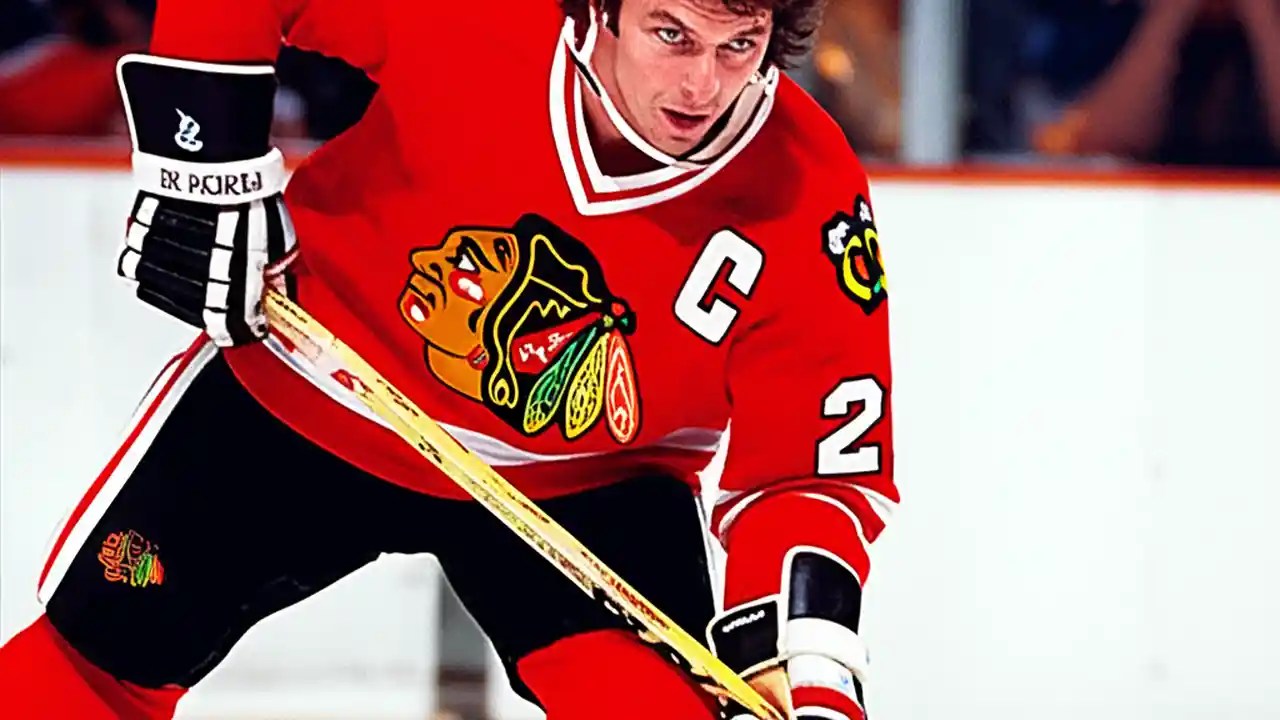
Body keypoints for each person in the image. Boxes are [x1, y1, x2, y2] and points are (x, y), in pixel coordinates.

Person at [0, 1, 897, 719]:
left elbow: (809, 473)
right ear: (599, 12)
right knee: (89, 668)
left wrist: (808, 671)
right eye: (673, 34)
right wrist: (201, 169)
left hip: (590, 485)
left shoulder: (809, 189)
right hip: (319, 392)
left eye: (740, 45)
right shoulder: (480, 15)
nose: (703, 84)